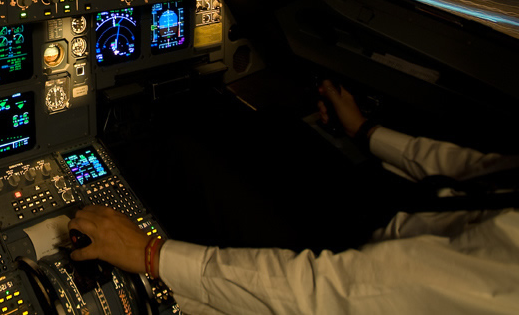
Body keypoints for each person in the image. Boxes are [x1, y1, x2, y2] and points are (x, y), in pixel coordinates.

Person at [67, 80, 519, 314]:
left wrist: (151, 254)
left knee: (182, 155)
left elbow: (336, 293)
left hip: (364, 265)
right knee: (276, 125)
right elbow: (483, 170)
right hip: (398, 208)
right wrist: (364, 131)